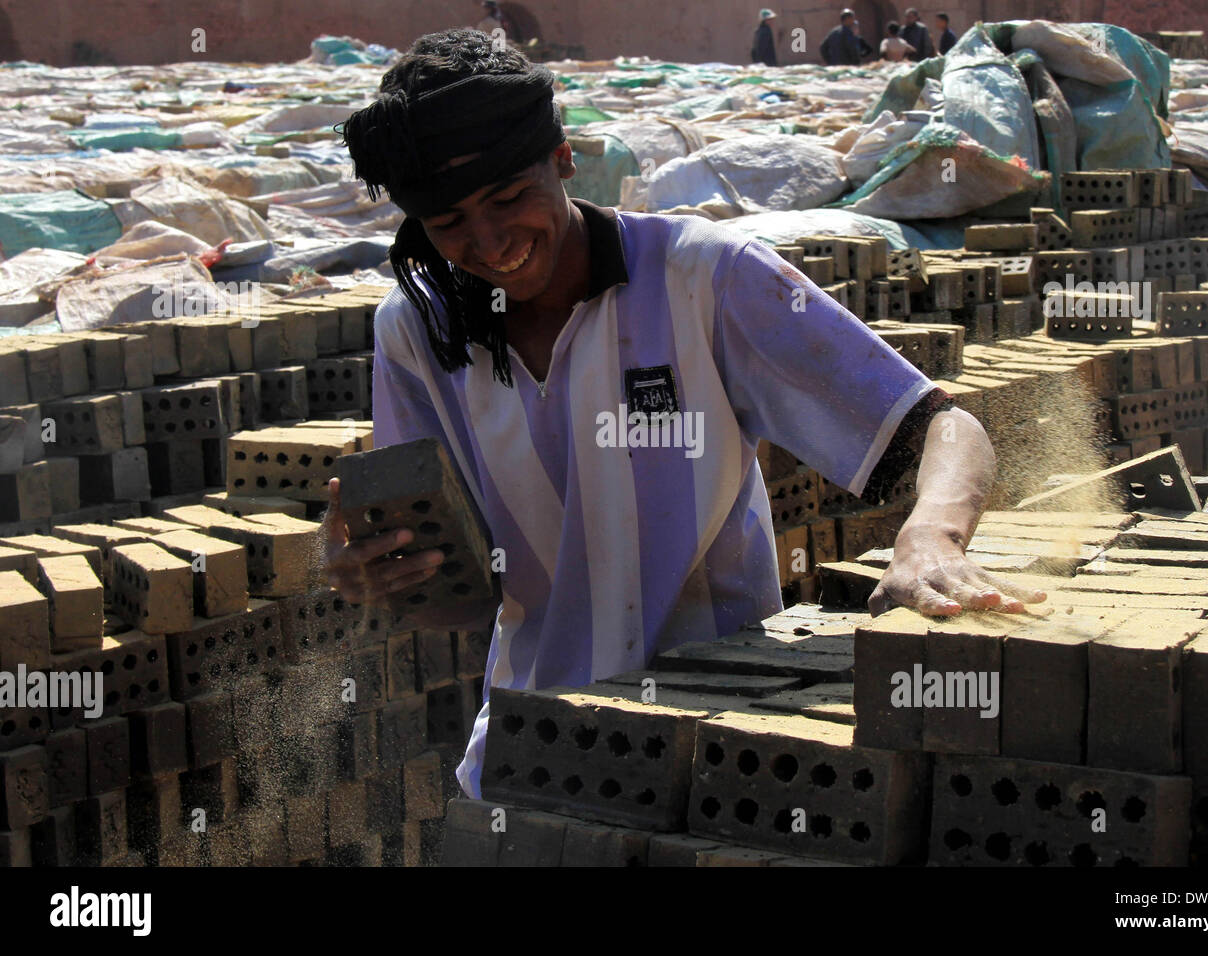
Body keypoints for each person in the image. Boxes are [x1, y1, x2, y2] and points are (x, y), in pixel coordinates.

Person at [336, 29, 1044, 799]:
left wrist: (930, 538)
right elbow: (465, 598)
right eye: (449, 225)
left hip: (722, 755)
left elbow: (940, 426)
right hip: (532, 758)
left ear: (565, 158)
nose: (490, 241)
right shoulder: (414, 330)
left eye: (509, 198)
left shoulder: (705, 275)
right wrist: (383, 570)